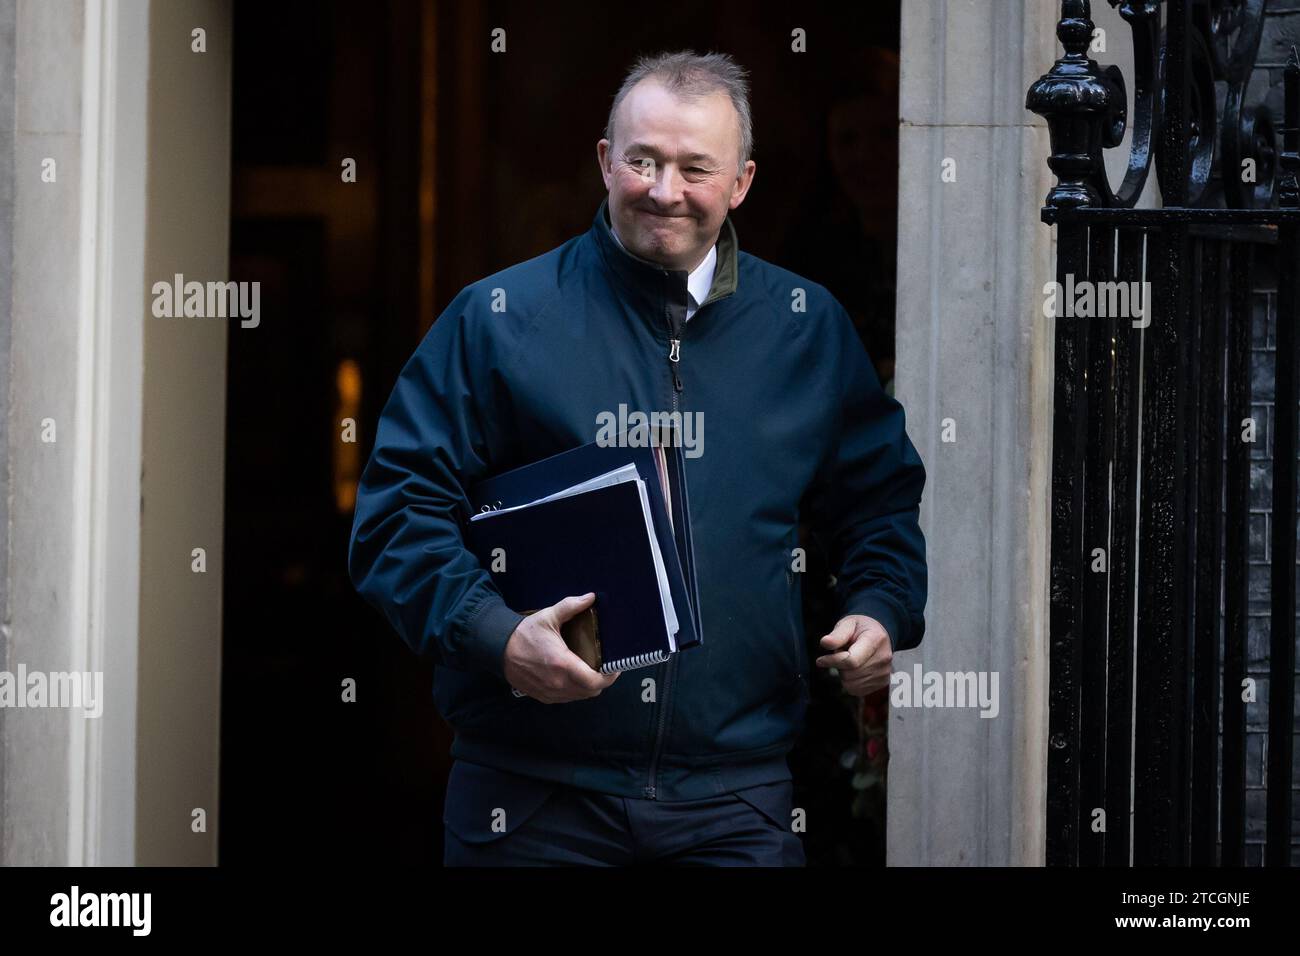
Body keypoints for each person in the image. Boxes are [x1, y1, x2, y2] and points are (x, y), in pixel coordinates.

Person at [348, 49, 927, 866]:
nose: (664, 190)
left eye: (696, 168)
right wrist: (495, 635)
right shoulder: (499, 320)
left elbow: (877, 501)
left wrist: (880, 606)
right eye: (642, 160)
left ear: (743, 183)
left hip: (736, 801)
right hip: (532, 798)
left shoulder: (806, 327)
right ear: (603, 161)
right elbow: (396, 516)